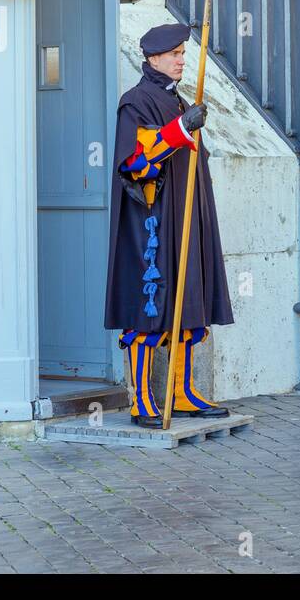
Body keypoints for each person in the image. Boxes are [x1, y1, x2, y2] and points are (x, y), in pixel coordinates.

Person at [104, 22, 234, 427]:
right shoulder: (136, 103)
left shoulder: (177, 101)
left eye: (183, 53)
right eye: (175, 54)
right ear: (153, 58)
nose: (182, 60)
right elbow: (134, 164)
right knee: (150, 304)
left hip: (187, 214)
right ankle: (142, 399)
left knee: (188, 296)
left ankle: (181, 392)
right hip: (152, 220)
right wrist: (180, 131)